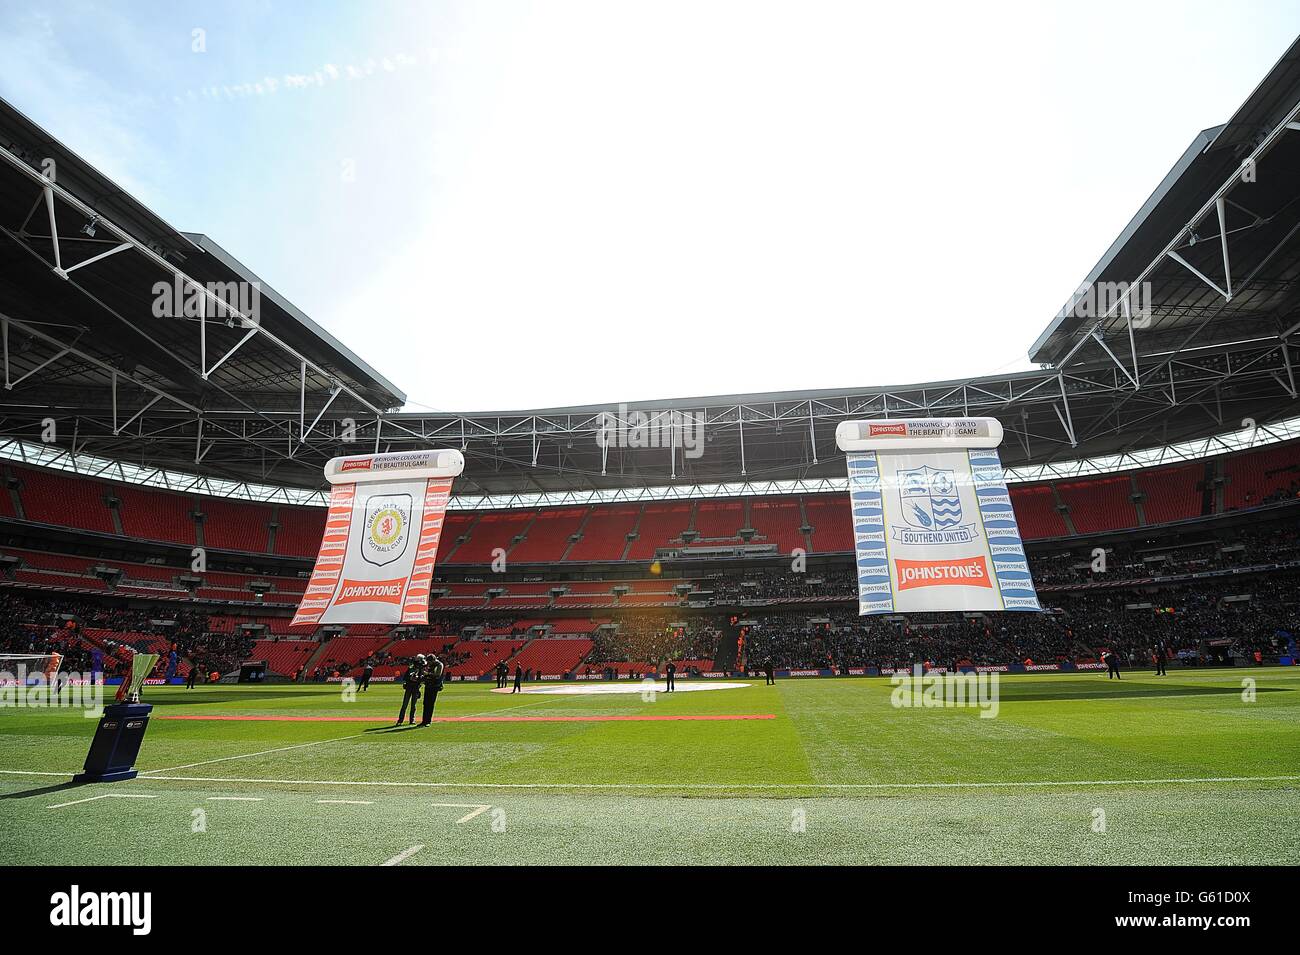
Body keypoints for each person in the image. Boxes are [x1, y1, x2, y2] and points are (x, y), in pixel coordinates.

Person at [418, 655, 445, 726]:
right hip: (428, 685)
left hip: (435, 686)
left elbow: (437, 675)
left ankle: (428, 721)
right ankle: (424, 721)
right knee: (425, 703)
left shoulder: (439, 665)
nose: (428, 663)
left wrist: (427, 673)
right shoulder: (430, 665)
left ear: (433, 660)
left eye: (429, 662)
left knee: (430, 704)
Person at [396, 656, 424, 725]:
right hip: (409, 687)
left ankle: (412, 720)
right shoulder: (410, 669)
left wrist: (418, 679)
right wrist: (411, 678)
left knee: (413, 705)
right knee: (405, 705)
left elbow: (421, 680)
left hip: (415, 688)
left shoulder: (420, 670)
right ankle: (400, 720)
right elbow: (405, 677)